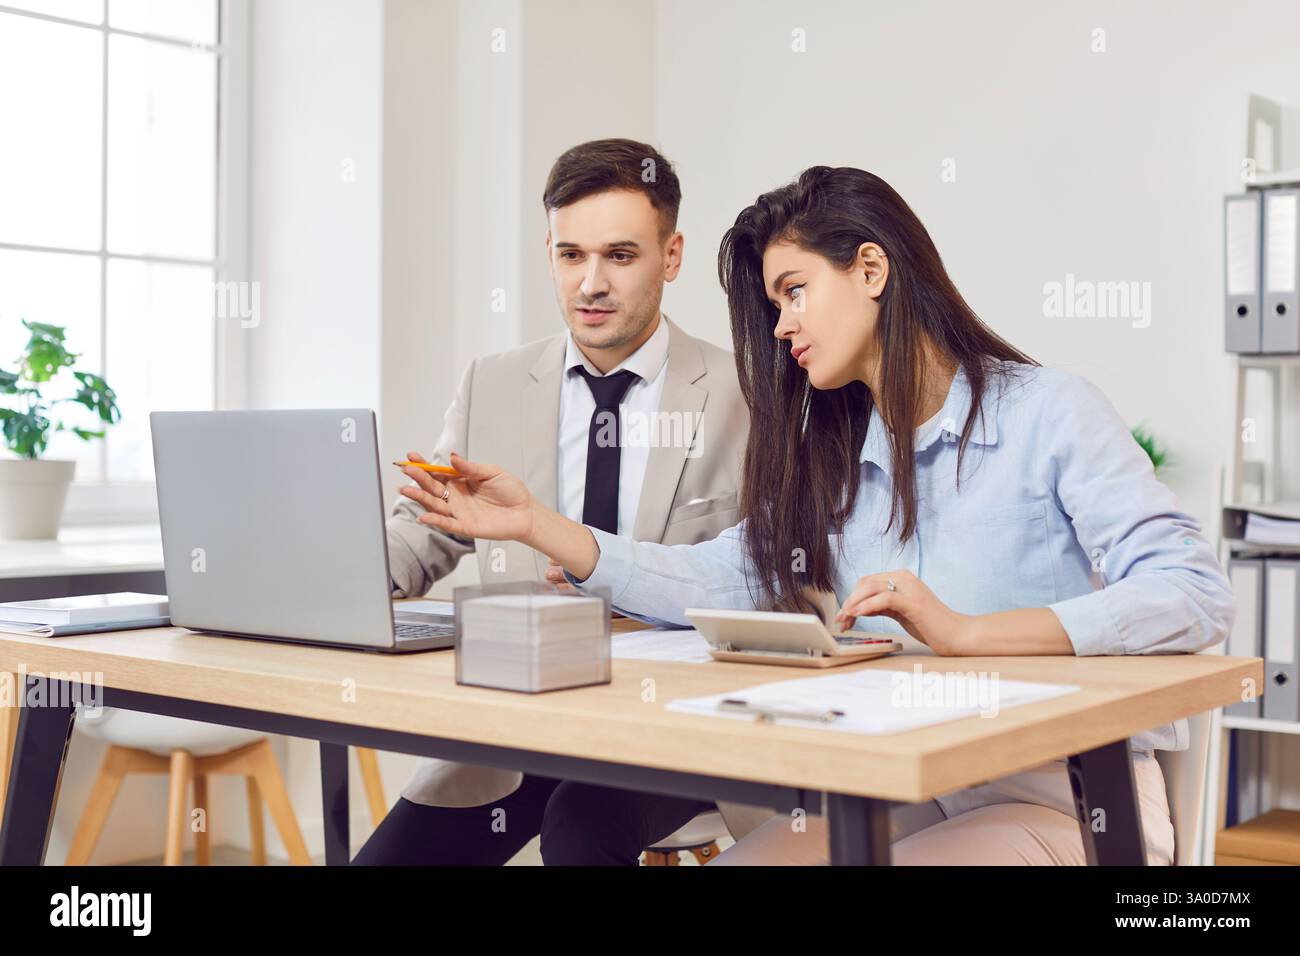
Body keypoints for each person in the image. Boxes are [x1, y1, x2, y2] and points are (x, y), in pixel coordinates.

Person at [392, 165, 1236, 865]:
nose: (784, 325)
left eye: (795, 292)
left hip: (1061, 803)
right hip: (900, 789)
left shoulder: (1050, 411)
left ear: (871, 270)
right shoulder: (838, 456)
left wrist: (969, 633)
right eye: (774, 306)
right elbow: (717, 572)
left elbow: (1193, 590)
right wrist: (536, 522)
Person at [353, 139, 761, 866]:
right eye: (571, 255)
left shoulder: (748, 394)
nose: (591, 284)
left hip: (677, 728)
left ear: (672, 256)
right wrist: (332, 577)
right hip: (523, 724)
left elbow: (775, 583)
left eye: (620, 256)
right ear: (548, 252)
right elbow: (423, 532)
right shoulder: (494, 384)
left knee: (581, 826)